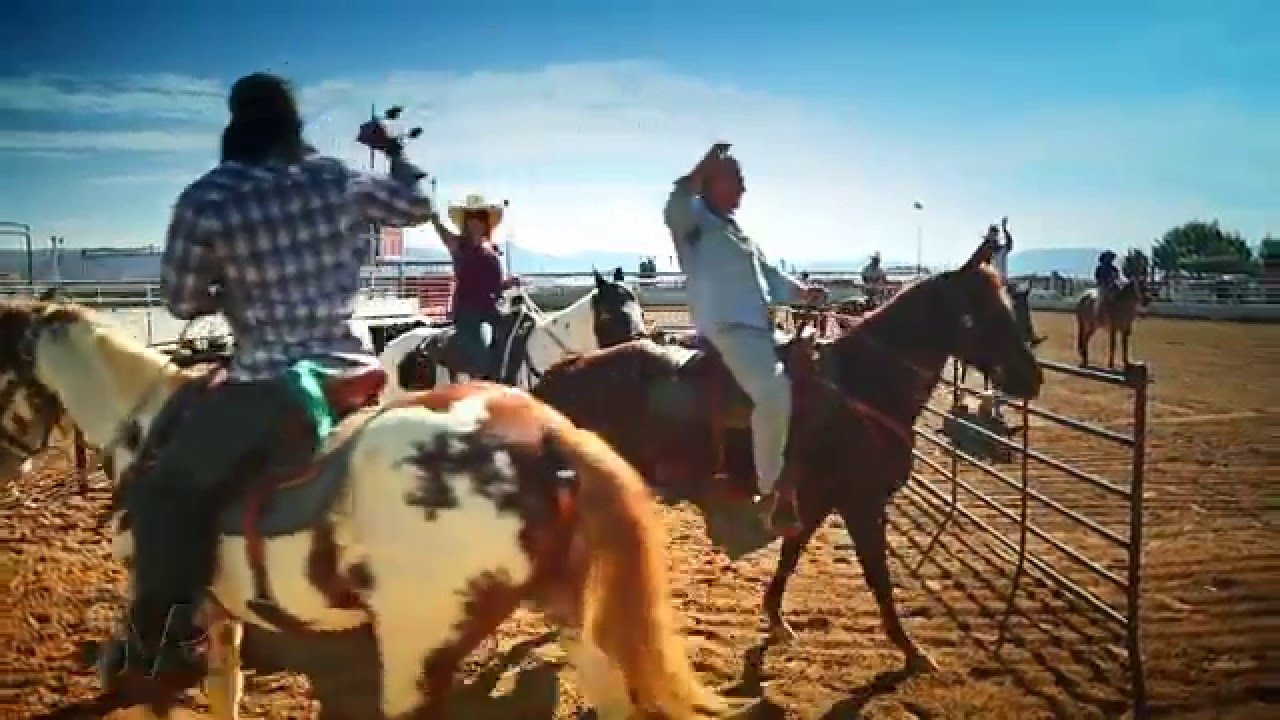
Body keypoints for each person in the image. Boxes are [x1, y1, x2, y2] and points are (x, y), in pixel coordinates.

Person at [126, 72, 435, 681]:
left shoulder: (209, 196)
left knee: (164, 488)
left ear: (235, 123)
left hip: (268, 382)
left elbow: (182, 300)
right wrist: (396, 149)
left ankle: (170, 631)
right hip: (355, 371)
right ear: (294, 124)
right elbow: (419, 203)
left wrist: (231, 291)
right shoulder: (339, 178)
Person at [663, 142, 824, 536]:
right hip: (729, 329)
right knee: (773, 392)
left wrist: (803, 292)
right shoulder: (694, 220)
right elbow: (674, 204)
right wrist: (700, 167)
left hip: (758, 327)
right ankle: (769, 489)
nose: (744, 190)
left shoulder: (735, 232)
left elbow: (769, 275)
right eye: (736, 181)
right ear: (712, 184)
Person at [427, 194, 508, 379]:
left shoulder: (492, 250)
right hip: (469, 312)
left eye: (480, 217)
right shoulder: (458, 245)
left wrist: (509, 283)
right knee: (483, 342)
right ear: (465, 222)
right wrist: (432, 214)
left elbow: (495, 284)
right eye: (471, 217)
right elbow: (441, 230)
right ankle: (477, 383)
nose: (476, 222)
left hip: (492, 309)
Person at [985, 217, 1014, 285]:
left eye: (995, 235)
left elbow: (1009, 243)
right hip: (989, 283)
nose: (994, 238)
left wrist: (1004, 229)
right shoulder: (986, 252)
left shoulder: (1002, 250)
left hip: (1001, 283)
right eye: (992, 235)